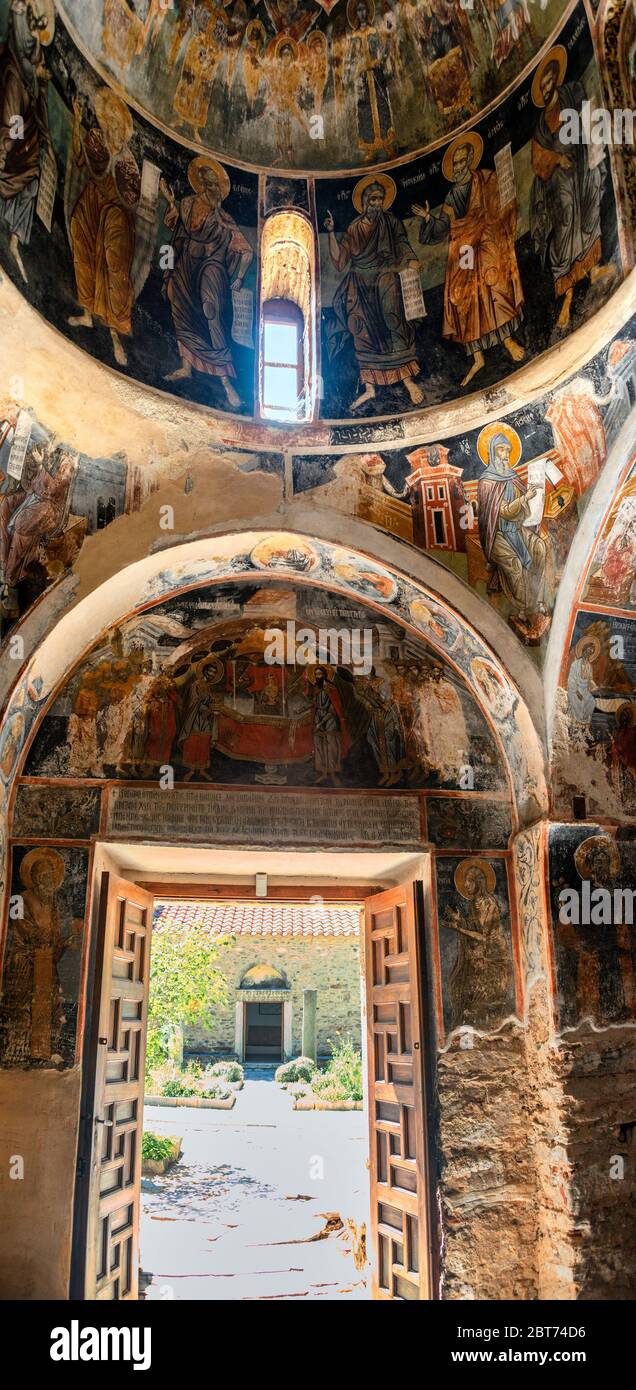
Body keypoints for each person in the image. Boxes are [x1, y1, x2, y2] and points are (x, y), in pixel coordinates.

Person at [413, 134, 525, 387]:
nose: (458, 167)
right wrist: (429, 218)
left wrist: (489, 225)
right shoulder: (452, 196)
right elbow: (443, 227)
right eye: (455, 164)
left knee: (493, 281)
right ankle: (477, 357)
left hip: (485, 238)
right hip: (464, 248)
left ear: (471, 159)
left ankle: (507, 339)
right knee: (460, 295)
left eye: (462, 161)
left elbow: (500, 206)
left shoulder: (485, 179)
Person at [325, 173, 424, 411]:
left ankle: (408, 381)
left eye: (380, 199)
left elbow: (401, 244)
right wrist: (330, 232)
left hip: (386, 276)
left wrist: (411, 261)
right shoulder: (354, 228)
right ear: (365, 202)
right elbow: (340, 262)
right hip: (359, 283)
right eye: (372, 199)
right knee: (360, 329)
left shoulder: (391, 222)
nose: (376, 203)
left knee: (394, 321)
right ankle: (369, 387)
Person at [161, 155, 253, 408]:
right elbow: (174, 231)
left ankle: (225, 380)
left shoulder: (224, 218)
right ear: (200, 184)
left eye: (217, 186)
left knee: (211, 312)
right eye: (208, 185)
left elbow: (246, 251)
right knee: (180, 311)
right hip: (185, 265)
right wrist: (166, 268)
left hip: (212, 268)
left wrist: (240, 277)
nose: (214, 190)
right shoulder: (187, 204)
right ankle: (186, 366)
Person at [530, 49, 611, 332]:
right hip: (558, 180)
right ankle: (567, 296)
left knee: (588, 211)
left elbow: (587, 113)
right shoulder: (541, 122)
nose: (547, 86)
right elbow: (537, 158)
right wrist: (556, 158)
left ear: (556, 78)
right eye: (543, 85)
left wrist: (591, 143)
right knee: (565, 228)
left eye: (550, 80)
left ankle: (595, 269)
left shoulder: (571, 94)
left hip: (579, 163)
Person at [67, 88, 140, 367]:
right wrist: (76, 121)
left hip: (116, 215)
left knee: (113, 265)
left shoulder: (127, 159)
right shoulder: (96, 139)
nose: (110, 125)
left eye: (115, 122)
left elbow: (131, 198)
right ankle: (87, 311)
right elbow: (78, 158)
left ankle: (114, 332)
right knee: (82, 241)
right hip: (92, 203)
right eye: (106, 118)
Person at [476, 429, 548, 634]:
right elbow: (505, 512)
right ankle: (525, 609)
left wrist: (533, 505)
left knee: (540, 547)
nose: (506, 455)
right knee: (515, 564)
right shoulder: (486, 482)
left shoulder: (513, 476)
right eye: (501, 450)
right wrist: (525, 499)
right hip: (497, 534)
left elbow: (520, 512)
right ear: (491, 453)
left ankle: (537, 598)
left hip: (516, 529)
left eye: (508, 450)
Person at [0, 0, 51, 283]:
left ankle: (15, 240)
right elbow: (9, 127)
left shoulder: (27, 74)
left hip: (23, 146)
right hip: (10, 154)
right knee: (26, 175)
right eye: (29, 33)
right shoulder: (12, 76)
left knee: (33, 179)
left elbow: (37, 66)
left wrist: (41, 82)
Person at [444, 859, 511, 1031]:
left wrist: (458, 927)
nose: (466, 884)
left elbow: (483, 936)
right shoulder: (474, 903)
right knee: (458, 983)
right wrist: (460, 920)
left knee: (476, 992)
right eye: (465, 880)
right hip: (481, 953)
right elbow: (475, 926)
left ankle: (485, 1029)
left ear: (478, 883)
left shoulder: (486, 903)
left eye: (469, 881)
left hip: (493, 954)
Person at [345, 0, 395, 162]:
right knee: (365, 111)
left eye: (363, 9)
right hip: (363, 80)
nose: (361, 13)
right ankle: (370, 148)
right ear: (355, 14)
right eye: (358, 10)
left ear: (367, 12)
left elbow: (382, 52)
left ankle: (387, 144)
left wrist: (379, 60)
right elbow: (350, 59)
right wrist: (355, 71)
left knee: (382, 106)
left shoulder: (374, 31)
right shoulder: (354, 36)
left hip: (376, 75)